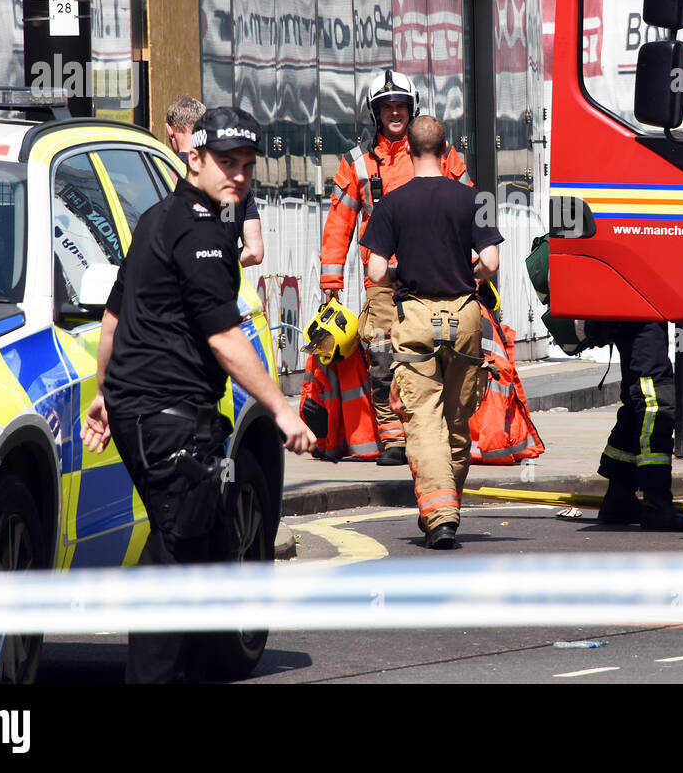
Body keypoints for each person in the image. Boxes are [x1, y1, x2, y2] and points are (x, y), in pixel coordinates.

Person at [81, 105, 315, 683]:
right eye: (225, 162)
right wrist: (282, 408)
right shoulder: (202, 230)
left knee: (207, 540)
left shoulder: (157, 218)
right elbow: (223, 337)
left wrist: (104, 393)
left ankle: (194, 668)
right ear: (195, 158)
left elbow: (116, 318)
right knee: (179, 547)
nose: (237, 175)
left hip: (146, 407)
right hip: (168, 415)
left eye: (246, 165)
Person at [360, 115, 501, 549]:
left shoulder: (393, 203)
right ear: (446, 151)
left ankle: (440, 514)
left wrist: (406, 273)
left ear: (410, 150)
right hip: (465, 316)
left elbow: (375, 269)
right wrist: (467, 273)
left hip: (416, 318)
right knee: (458, 421)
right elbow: (491, 262)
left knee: (424, 421)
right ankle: (447, 502)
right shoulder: (475, 198)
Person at [320, 69, 471, 466]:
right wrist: (331, 279)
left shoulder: (437, 152)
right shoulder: (357, 164)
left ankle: (434, 431)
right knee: (383, 353)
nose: (394, 113)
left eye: (400, 106)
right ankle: (392, 439)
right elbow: (340, 222)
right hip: (384, 279)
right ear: (376, 113)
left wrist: (473, 260)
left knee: (437, 354)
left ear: (411, 109)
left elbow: (468, 204)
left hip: (434, 275)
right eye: (386, 107)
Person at [594, 320, 683, 531]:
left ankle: (619, 498)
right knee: (655, 402)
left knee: (635, 402)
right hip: (642, 316)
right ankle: (656, 503)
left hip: (636, 315)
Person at [166, 95, 264, 268]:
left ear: (169, 131)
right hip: (227, 287)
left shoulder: (165, 170)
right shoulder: (237, 182)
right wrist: (220, 263)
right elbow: (255, 252)